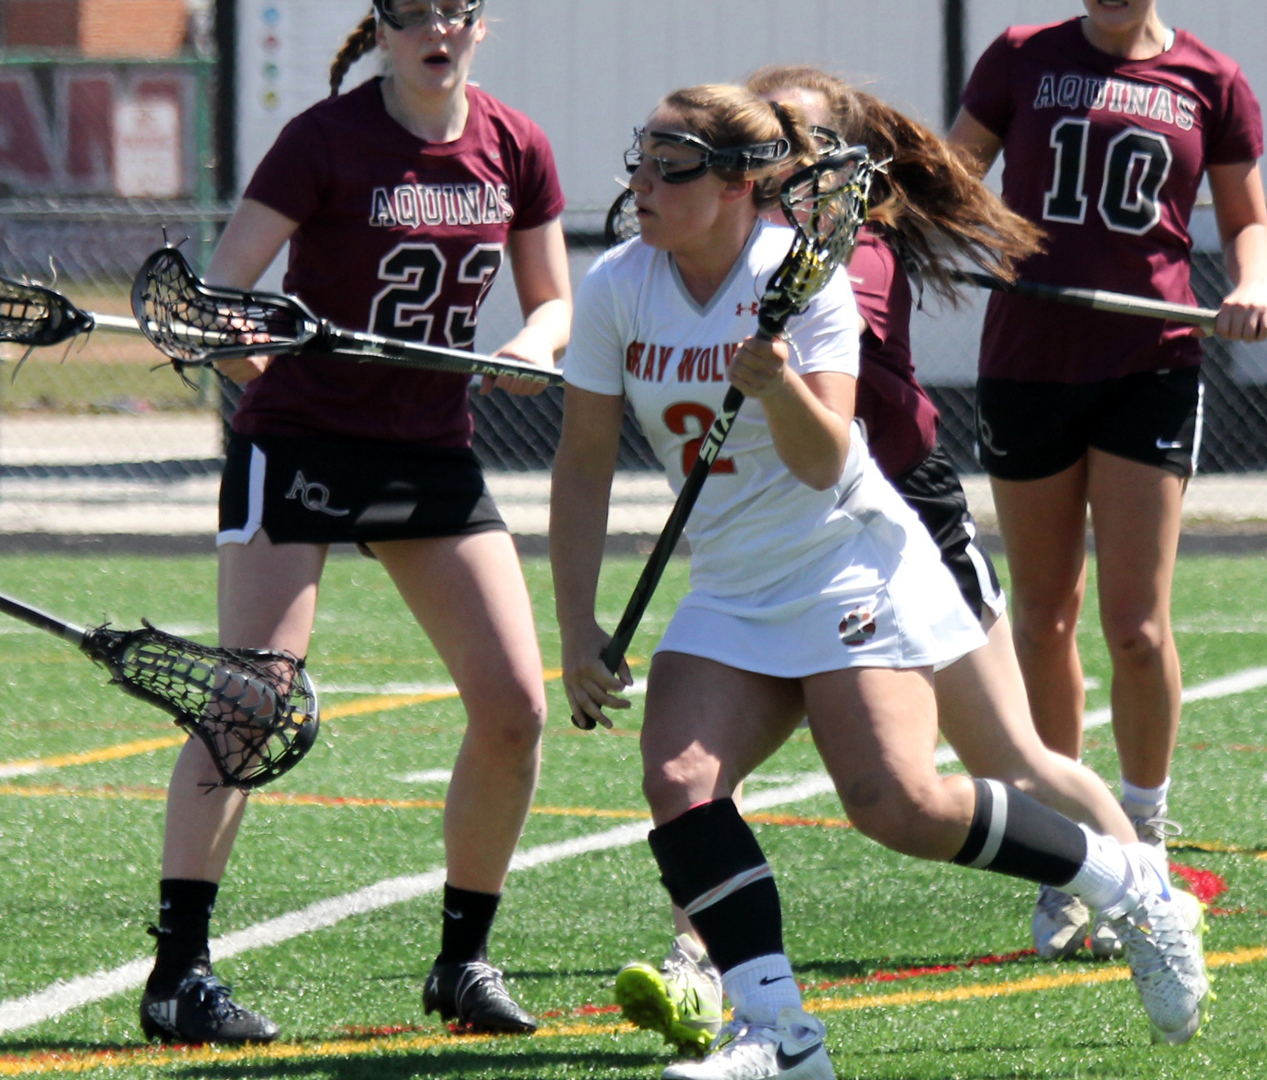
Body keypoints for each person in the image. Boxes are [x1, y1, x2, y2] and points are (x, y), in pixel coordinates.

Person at [551, 84, 1210, 1079]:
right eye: (637, 160)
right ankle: (779, 1037)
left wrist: (775, 388)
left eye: (667, 166)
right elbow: (584, 461)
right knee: (681, 780)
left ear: (736, 186)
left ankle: (1129, 882)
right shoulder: (615, 285)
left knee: (895, 802)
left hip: (845, 555)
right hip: (732, 579)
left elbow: (826, 460)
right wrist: (574, 624)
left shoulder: (802, 278)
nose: (638, 185)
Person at [137, 0, 569, 1043]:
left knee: (515, 708)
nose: (436, 29)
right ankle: (179, 975)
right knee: (250, 702)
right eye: (411, 12)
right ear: (380, 27)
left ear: (480, 23)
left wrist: (535, 349)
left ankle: (462, 964)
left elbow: (552, 300)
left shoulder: (516, 145)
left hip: (429, 451)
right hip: (298, 448)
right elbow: (220, 295)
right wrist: (269, 372)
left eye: (452, 10)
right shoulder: (323, 140)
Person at [947, 0, 1267, 874]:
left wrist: (1253, 283)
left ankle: (1146, 826)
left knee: (1136, 627)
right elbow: (953, 176)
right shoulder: (1020, 56)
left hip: (1149, 360)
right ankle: (1072, 844)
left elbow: (1247, 221)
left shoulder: (1213, 79)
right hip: (1029, 359)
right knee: (1043, 616)